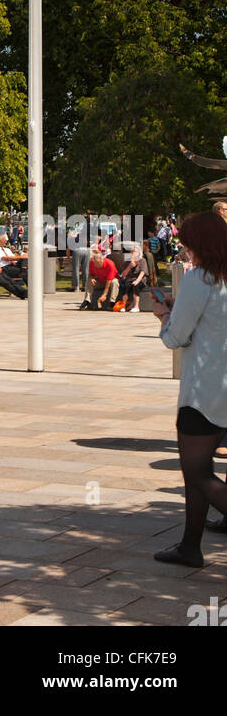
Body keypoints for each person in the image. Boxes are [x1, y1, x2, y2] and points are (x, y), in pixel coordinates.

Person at [150, 211, 227, 567]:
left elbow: (176, 338)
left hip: (204, 391)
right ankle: (190, 545)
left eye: (186, 244)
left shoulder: (200, 280)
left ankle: (191, 545)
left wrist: (164, 315)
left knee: (196, 470)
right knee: (196, 471)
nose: (183, 249)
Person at [117, 245, 147, 312]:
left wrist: (137, 281)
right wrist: (129, 266)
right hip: (129, 279)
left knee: (135, 285)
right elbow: (123, 275)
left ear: (139, 253)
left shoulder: (142, 260)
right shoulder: (128, 261)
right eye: (132, 252)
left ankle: (136, 307)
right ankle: (123, 306)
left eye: (135, 252)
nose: (133, 253)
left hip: (139, 279)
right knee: (125, 285)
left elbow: (143, 272)